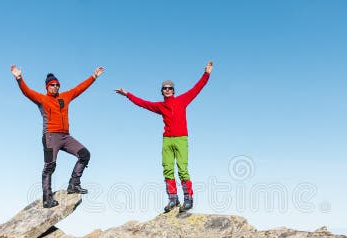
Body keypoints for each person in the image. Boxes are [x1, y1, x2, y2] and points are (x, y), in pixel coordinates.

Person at [115, 61, 213, 212]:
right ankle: (173, 199)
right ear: (162, 91)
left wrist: (206, 73)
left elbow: (197, 88)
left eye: (170, 88)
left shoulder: (182, 100)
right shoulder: (160, 106)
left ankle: (188, 198)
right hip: (167, 140)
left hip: (181, 139)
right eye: (164, 88)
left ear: (173, 90)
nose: (167, 90)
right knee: (167, 169)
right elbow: (143, 103)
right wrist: (127, 95)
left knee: (182, 169)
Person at [11, 64, 104, 208]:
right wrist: (19, 78)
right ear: (47, 87)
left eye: (57, 85)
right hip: (50, 137)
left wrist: (94, 77)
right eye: (52, 85)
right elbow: (27, 92)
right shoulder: (42, 99)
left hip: (66, 137)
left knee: (85, 154)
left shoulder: (65, 97)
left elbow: (79, 89)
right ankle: (47, 199)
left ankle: (73, 184)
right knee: (49, 166)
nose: (55, 87)